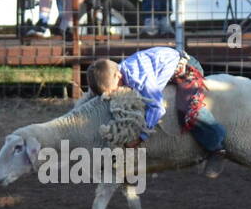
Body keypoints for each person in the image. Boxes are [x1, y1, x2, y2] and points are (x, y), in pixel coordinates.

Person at [85, 48, 230, 175]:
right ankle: (114, 153)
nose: (115, 92)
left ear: (118, 76)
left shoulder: (140, 79)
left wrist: (141, 137)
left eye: (114, 90)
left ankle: (217, 147)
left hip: (186, 67)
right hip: (166, 66)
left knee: (188, 107)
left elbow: (157, 107)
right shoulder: (119, 71)